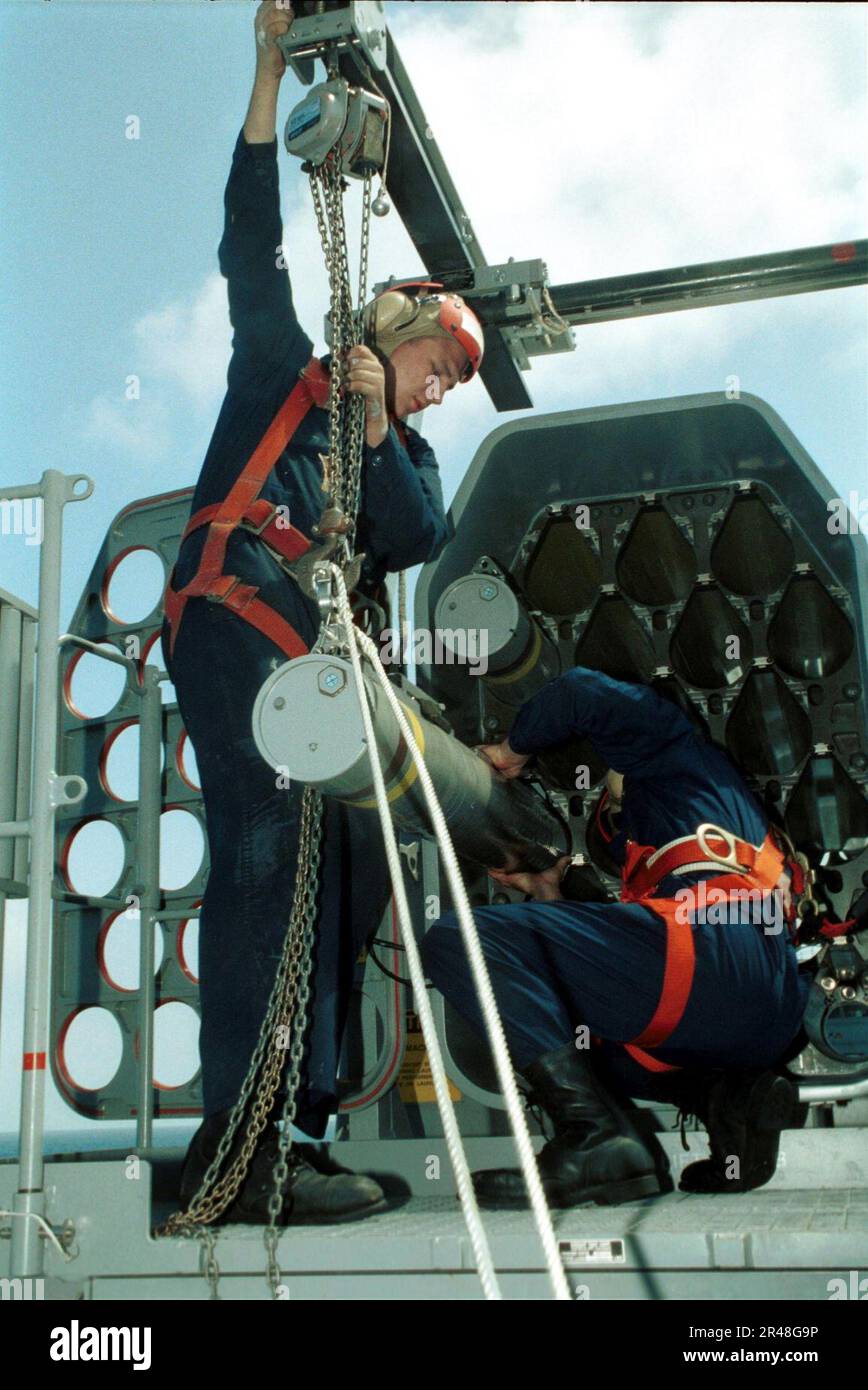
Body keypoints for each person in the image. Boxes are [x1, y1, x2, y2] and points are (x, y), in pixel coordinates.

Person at [161, 0, 484, 1226]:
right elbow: (252, 240)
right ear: (390, 331)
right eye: (439, 366)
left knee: (344, 867)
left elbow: (418, 536)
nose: (446, 388)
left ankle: (287, 1126)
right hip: (237, 625)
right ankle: (240, 1151)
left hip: (307, 667)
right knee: (270, 851)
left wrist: (382, 419)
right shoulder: (275, 373)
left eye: (453, 380)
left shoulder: (395, 452)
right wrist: (262, 75)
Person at [420, 666, 811, 1209]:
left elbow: (581, 691)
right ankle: (731, 1100)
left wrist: (510, 752)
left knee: (456, 938)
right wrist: (546, 895)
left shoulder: (671, 747)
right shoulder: (712, 815)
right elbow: (592, 983)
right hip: (768, 1014)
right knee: (575, 1038)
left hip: (709, 965)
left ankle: (595, 1136)